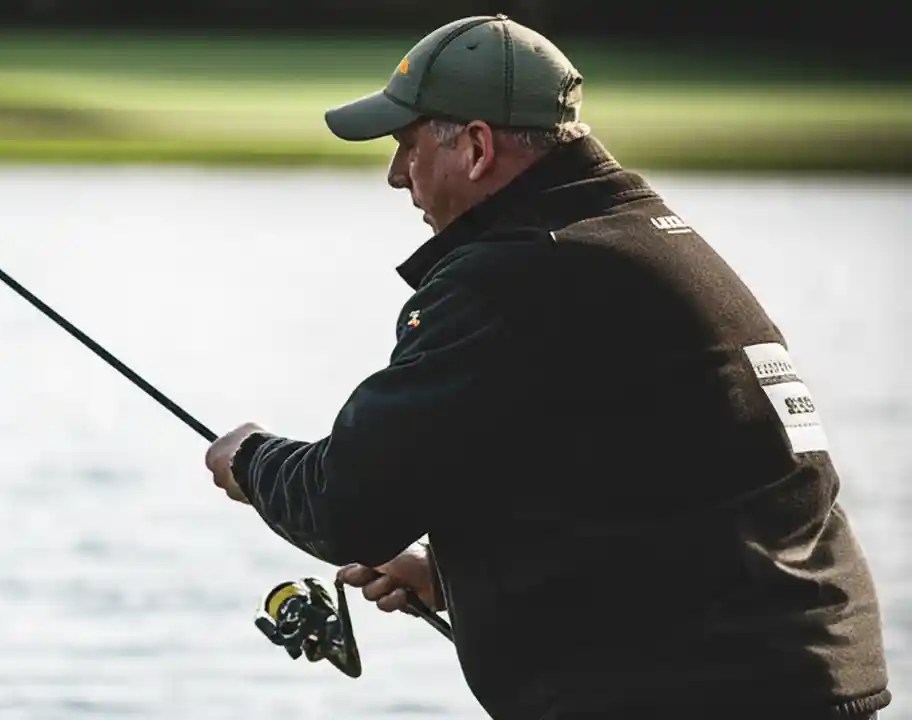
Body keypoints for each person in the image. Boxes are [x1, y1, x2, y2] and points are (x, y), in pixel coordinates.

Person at [203, 14, 891, 720]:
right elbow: (666, 480)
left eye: (408, 145)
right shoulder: (643, 239)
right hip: (799, 683)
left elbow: (348, 504)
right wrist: (458, 573)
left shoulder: (517, 276)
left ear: (475, 146)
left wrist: (252, 461)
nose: (396, 175)